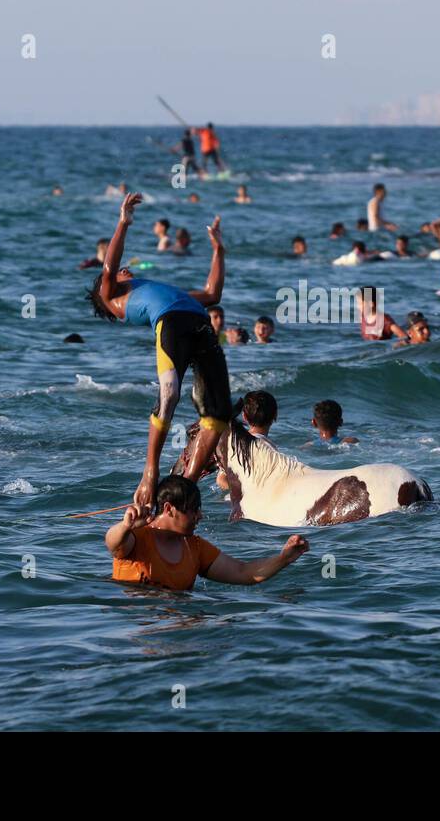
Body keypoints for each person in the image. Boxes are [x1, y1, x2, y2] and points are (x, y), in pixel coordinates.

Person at [87, 192, 230, 509]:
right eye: (120, 270)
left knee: (218, 416)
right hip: (172, 325)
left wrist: (219, 249)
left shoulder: (157, 288)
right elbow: (109, 267)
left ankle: (185, 488)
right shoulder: (112, 296)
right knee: (169, 396)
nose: (126, 268)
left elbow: (212, 292)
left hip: (202, 327)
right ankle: (149, 474)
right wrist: (123, 223)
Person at [106, 475, 307, 591]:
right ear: (169, 509)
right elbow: (113, 543)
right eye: (194, 509)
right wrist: (126, 525)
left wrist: (284, 558)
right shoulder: (137, 537)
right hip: (134, 624)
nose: (200, 516)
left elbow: (243, 572)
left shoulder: (195, 547)